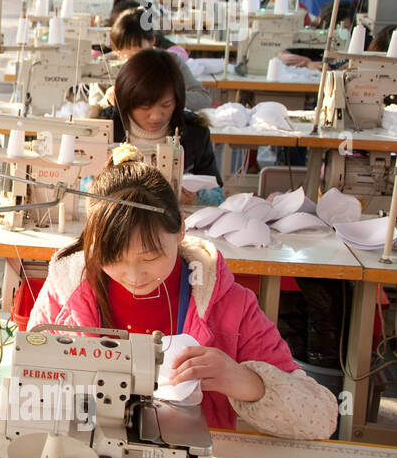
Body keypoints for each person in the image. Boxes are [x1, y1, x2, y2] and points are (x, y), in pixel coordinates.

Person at [25, 154, 337, 439]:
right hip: (85, 455)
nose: (134, 276)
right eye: (114, 258)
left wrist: (245, 381)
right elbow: (28, 389)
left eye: (150, 258)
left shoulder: (228, 305)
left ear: (181, 231)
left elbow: (321, 418)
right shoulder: (66, 297)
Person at [97, 49, 223, 204]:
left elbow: (217, 193)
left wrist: (198, 198)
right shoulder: (103, 130)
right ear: (126, 100)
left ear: (178, 101)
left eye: (166, 105)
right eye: (145, 107)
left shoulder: (195, 134)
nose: (156, 116)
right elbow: (83, 183)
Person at [105, 7, 211, 111]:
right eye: (123, 53)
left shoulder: (171, 62)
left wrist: (162, 98)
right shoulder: (105, 65)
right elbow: (93, 107)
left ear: (152, 42)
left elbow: (203, 98)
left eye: (136, 52)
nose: (129, 59)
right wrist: (107, 100)